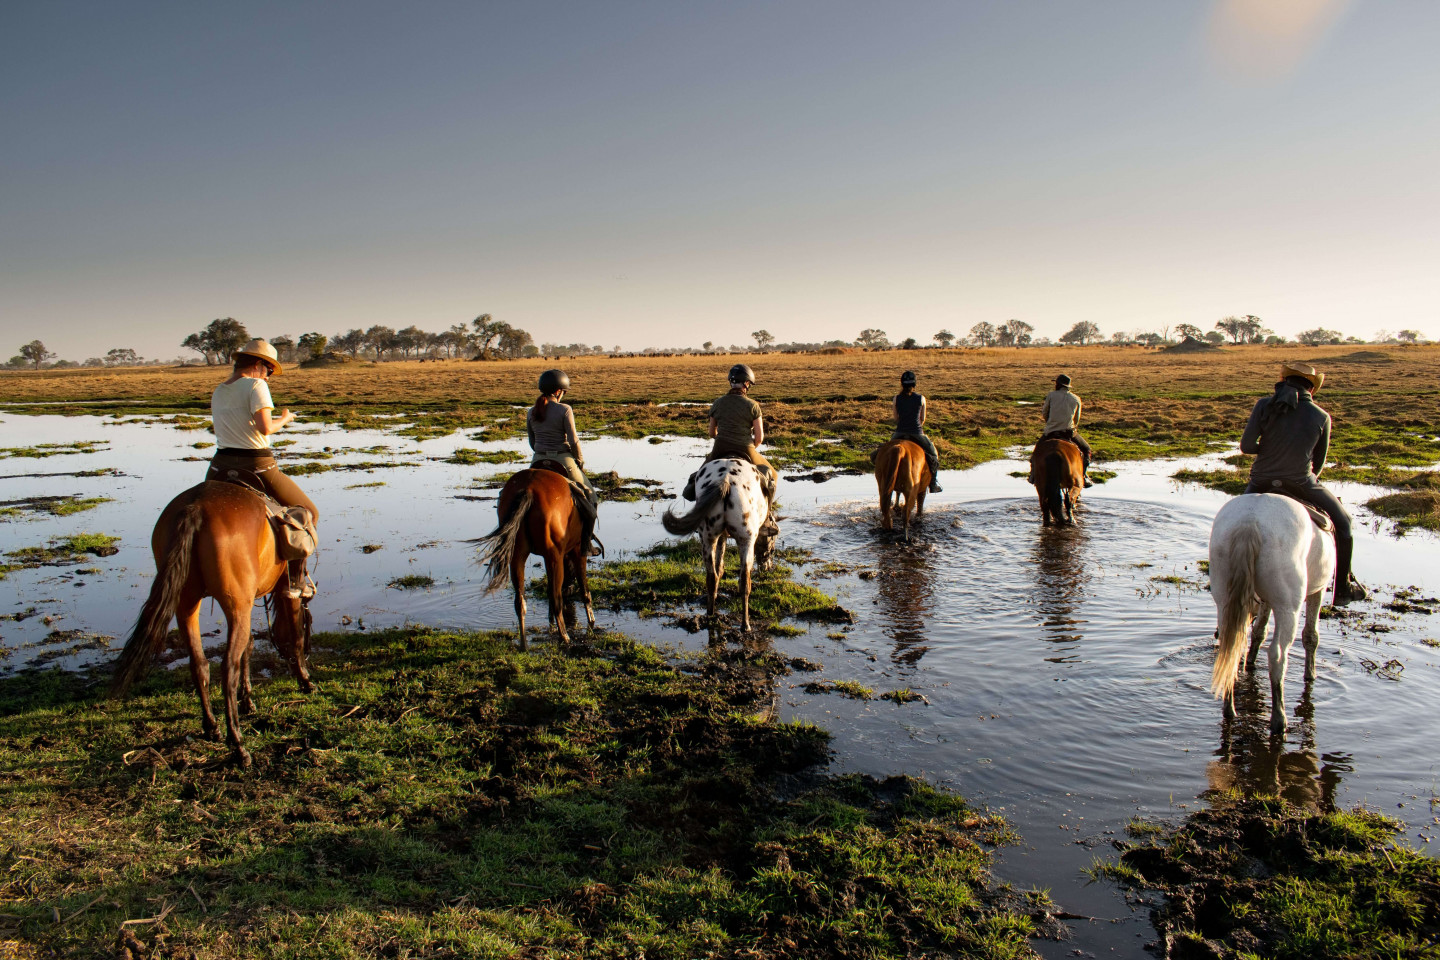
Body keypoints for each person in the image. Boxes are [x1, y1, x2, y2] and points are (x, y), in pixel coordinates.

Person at [1240, 361, 1367, 605]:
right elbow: (1317, 466)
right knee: (1344, 523)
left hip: (1260, 482)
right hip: (1300, 483)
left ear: (1284, 381)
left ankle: (1220, 579)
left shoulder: (1263, 405)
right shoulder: (1321, 416)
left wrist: (1267, 450)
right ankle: (1342, 589)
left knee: (1229, 520)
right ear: (1312, 388)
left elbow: (1246, 447)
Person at [207, 338, 317, 598]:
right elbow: (265, 428)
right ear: (259, 365)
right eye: (269, 371)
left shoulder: (220, 389)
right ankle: (295, 582)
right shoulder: (256, 385)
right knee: (308, 513)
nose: (268, 378)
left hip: (219, 466)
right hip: (257, 465)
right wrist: (285, 419)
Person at [527, 368, 600, 556]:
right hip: (562, 458)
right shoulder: (564, 409)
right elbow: (574, 440)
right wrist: (580, 460)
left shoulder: (531, 411)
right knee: (591, 496)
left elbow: (532, 442)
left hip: (538, 460)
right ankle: (586, 545)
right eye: (564, 392)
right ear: (559, 391)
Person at [682, 363, 778, 505]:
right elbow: (759, 438)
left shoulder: (717, 403)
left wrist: (723, 436)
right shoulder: (753, 405)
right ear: (746, 383)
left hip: (720, 447)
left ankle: (696, 502)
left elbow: (711, 432)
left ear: (731, 382)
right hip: (746, 448)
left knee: (698, 475)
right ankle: (768, 515)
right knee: (772, 475)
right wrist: (749, 444)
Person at [891, 370, 943, 493]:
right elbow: (922, 419)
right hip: (917, 433)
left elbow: (896, 418)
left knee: (882, 452)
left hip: (900, 432)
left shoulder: (896, 398)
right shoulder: (921, 398)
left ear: (902, 384)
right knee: (934, 455)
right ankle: (933, 484)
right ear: (915, 384)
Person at [1039, 374, 1093, 487]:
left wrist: (1051, 423)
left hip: (1051, 431)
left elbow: (1045, 413)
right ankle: (1083, 475)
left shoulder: (1051, 395)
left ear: (1058, 384)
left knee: (1037, 450)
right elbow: (1076, 419)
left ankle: (1033, 474)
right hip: (1068, 432)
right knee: (1087, 450)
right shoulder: (1076, 399)